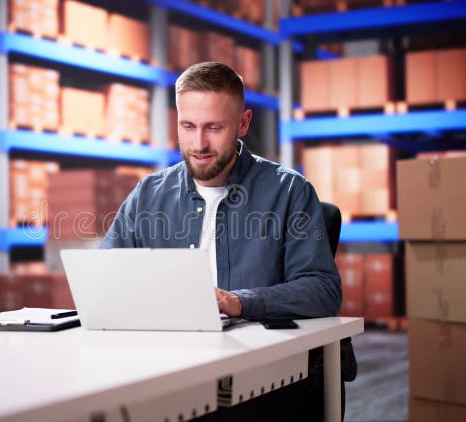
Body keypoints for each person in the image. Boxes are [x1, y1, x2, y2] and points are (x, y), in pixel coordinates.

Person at [101, 62, 345, 420]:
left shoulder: (289, 190)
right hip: (167, 366)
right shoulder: (149, 194)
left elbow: (323, 289)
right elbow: (107, 274)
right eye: (188, 126)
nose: (199, 143)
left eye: (214, 128)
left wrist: (239, 302)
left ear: (243, 124)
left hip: (261, 377)